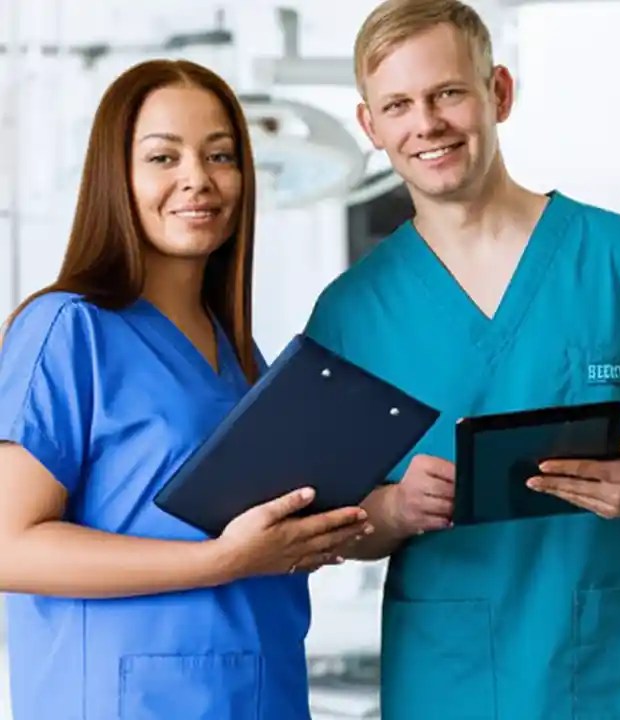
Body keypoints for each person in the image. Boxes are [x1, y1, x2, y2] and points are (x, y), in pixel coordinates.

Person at [302, 0, 620, 717]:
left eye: (448, 93)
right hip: (452, 683)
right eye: (399, 105)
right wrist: (395, 508)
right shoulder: (351, 316)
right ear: (370, 126)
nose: (427, 123)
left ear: (498, 93)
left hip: (618, 676)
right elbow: (330, 523)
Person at [0, 59, 372, 720]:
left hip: (261, 695)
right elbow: (7, 545)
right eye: (163, 157)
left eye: (220, 155)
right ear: (117, 176)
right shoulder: (67, 330)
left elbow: (260, 539)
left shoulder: (239, 353)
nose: (197, 179)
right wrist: (219, 561)